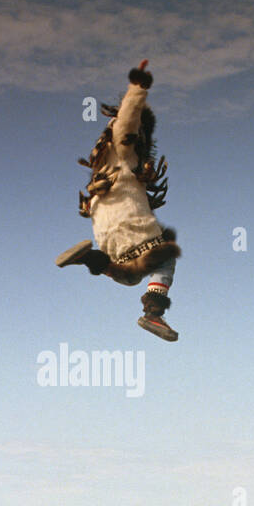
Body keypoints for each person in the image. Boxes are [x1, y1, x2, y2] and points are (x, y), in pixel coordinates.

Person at [55, 60, 181, 341]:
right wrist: (138, 88)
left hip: (107, 239)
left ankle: (91, 258)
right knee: (164, 259)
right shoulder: (125, 153)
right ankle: (154, 314)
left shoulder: (99, 173)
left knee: (131, 277)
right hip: (133, 231)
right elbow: (127, 121)